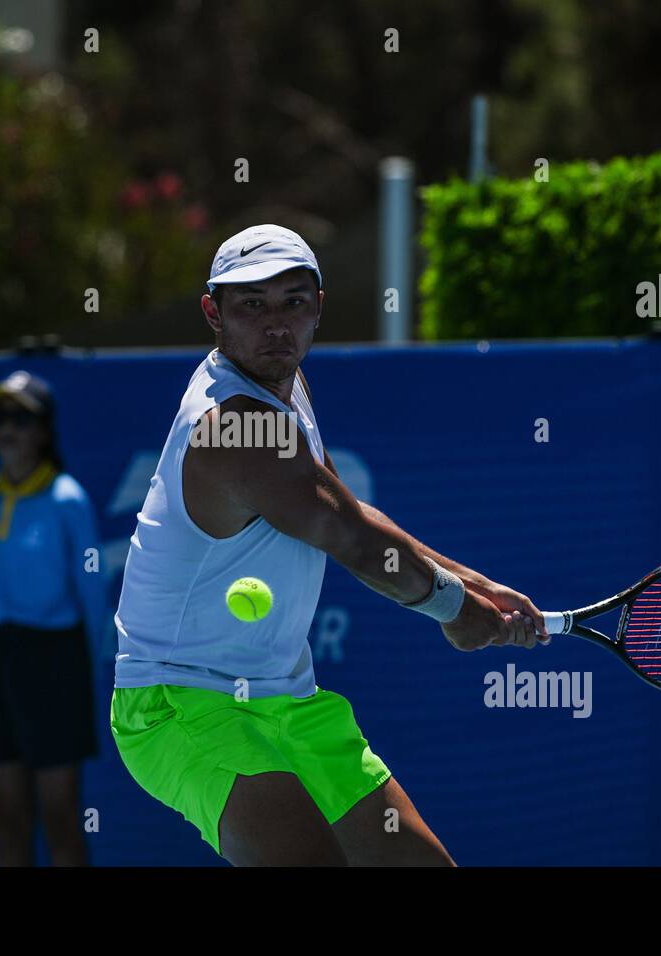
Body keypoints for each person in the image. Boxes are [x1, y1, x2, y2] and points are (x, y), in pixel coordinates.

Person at [109, 224, 551, 866]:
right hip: (178, 702)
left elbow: (348, 509)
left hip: (288, 699)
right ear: (214, 313)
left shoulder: (287, 389)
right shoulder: (235, 424)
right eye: (251, 305)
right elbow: (347, 538)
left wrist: (475, 583)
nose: (276, 325)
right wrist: (453, 610)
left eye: (293, 302)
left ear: (319, 306)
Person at [0, 370, 108, 866]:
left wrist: (95, 669)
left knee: (62, 818)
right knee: (7, 818)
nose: (8, 429)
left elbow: (91, 594)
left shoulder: (69, 501)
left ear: (44, 430)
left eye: (21, 418)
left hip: (54, 662)